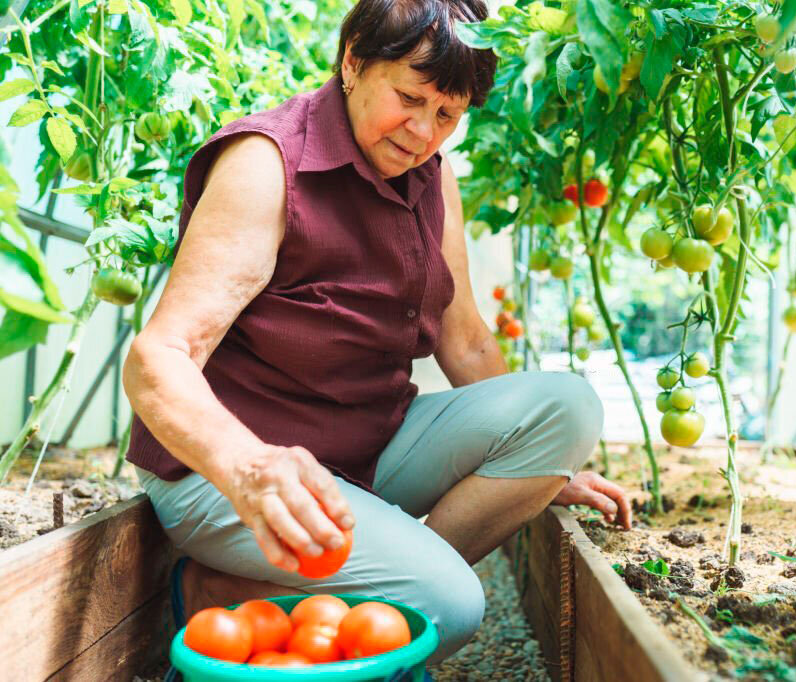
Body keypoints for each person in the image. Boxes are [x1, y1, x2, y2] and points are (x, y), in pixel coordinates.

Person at [123, 0, 632, 667]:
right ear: (354, 62)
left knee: (568, 407)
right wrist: (250, 468)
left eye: (448, 115)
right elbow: (157, 357)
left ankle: (282, 591)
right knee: (449, 608)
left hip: (363, 451)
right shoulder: (267, 163)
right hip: (228, 472)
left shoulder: (432, 176)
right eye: (410, 98)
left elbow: (468, 339)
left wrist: (543, 471)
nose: (424, 132)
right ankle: (238, 586)